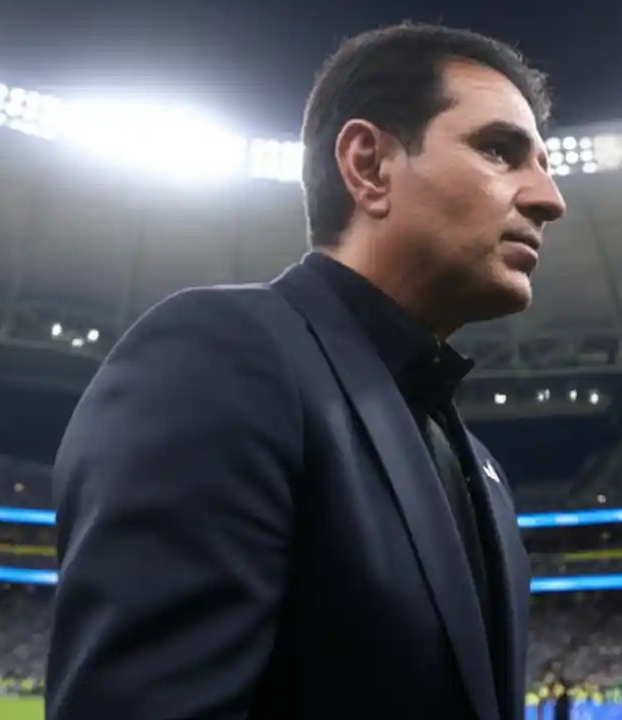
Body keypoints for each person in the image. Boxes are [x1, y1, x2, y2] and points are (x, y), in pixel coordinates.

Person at [45, 21, 566, 720]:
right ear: (369, 165)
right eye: (501, 151)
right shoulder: (222, 356)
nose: (549, 198)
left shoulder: (477, 464)